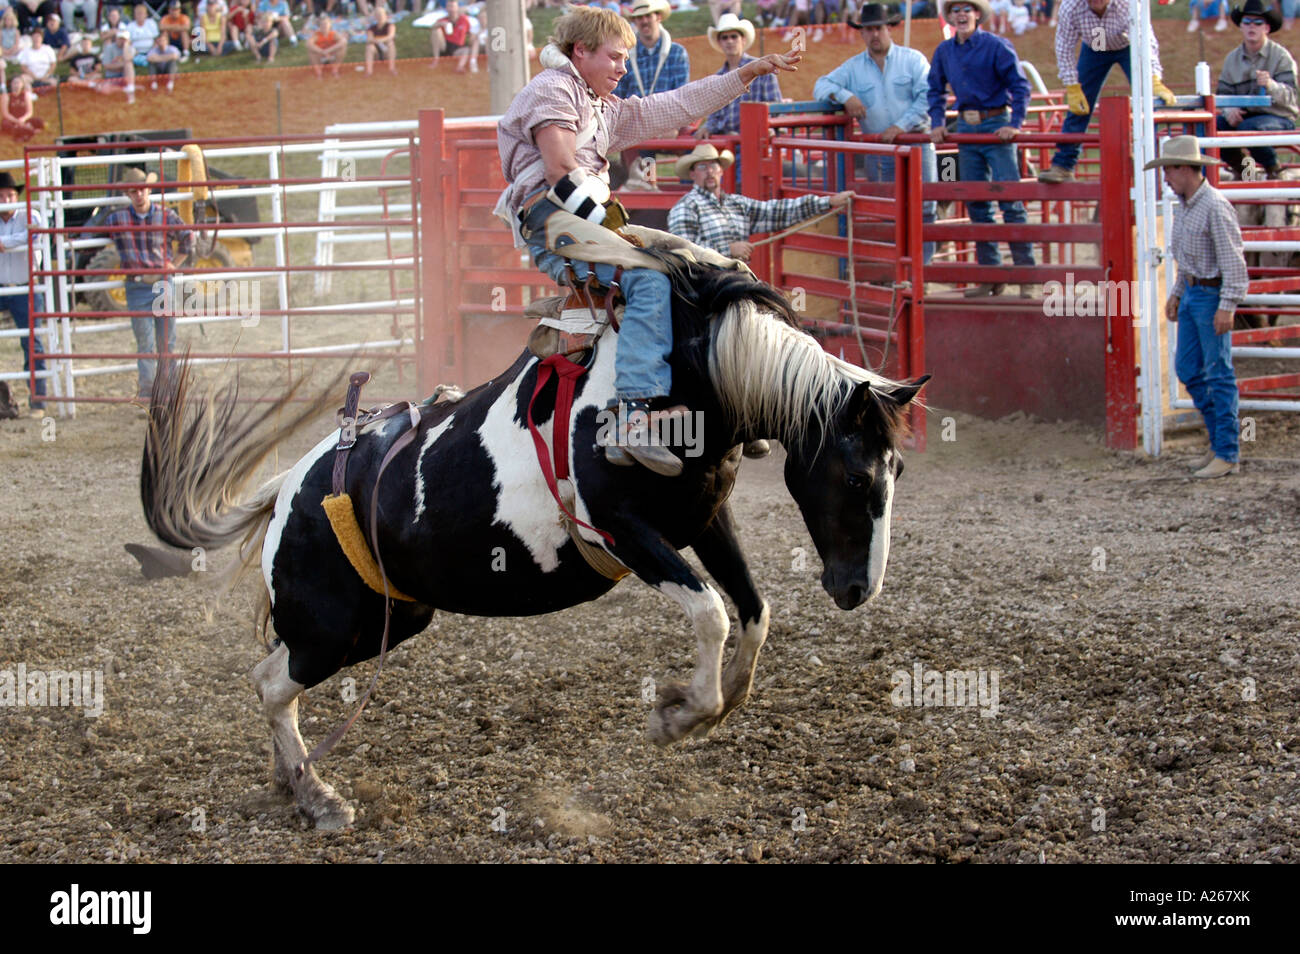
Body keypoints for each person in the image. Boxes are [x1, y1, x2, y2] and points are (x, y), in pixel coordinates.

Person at [498, 6, 800, 475]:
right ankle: (631, 416)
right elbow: (558, 172)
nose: (622, 67)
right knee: (647, 277)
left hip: (587, 221)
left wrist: (745, 74)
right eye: (615, 57)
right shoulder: (553, 90)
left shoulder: (602, 107)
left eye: (625, 59)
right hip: (553, 221)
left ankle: (740, 401)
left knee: (721, 269)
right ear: (580, 52)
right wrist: (612, 226)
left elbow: (677, 104)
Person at [1147, 136, 1248, 478]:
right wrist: (1177, 292)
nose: (1166, 177)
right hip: (1194, 292)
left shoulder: (1214, 206)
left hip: (1210, 295)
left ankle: (1226, 450)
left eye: (1170, 169)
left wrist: (1227, 304)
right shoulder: (1189, 204)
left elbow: (1233, 263)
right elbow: (1186, 257)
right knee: (1190, 369)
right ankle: (1221, 444)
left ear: (1187, 169)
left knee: (1217, 372)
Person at [928, 0, 1034, 297]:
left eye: (966, 9)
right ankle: (991, 275)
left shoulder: (997, 46)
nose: (961, 15)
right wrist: (938, 122)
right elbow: (934, 89)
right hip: (966, 130)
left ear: (977, 14)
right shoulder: (944, 51)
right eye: (955, 10)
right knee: (976, 203)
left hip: (995, 124)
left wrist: (1015, 123)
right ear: (949, 17)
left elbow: (1020, 86)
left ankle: (1028, 278)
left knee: (1010, 201)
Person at [815, 2, 936, 263]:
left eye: (878, 28)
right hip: (879, 148)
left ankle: (922, 267)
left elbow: (929, 96)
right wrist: (846, 96)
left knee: (925, 205)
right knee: (886, 209)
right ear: (862, 33)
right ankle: (893, 267)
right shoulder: (853, 67)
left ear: (889, 28)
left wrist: (900, 126)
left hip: (915, 141)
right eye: (868, 30)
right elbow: (821, 85)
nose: (875, 34)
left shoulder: (912, 60)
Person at [1037, 0, 1177, 184]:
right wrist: (1072, 85)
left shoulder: (1128, 4)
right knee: (1081, 101)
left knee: (1148, 97)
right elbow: (1064, 46)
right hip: (1098, 39)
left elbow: (1145, 40)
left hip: (1128, 43)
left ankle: (1156, 156)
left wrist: (1152, 77)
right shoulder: (1071, 6)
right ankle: (1063, 165)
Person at [668, 142, 853, 260]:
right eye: (702, 166)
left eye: (713, 165)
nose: (709, 171)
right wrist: (727, 250)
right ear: (692, 174)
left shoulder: (736, 204)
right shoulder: (685, 207)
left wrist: (828, 201)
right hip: (702, 283)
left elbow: (778, 211)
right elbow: (682, 250)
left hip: (736, 279)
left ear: (721, 170)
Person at [105, 167, 193, 402]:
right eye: (133, 191)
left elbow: (188, 236)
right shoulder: (117, 219)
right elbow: (90, 236)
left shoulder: (165, 215)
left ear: (148, 189)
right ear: (129, 194)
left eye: (142, 189)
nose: (139, 195)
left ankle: (170, 391)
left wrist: (174, 264)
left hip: (162, 282)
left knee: (166, 341)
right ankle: (148, 392)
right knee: (145, 342)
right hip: (137, 285)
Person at [1215, 0, 1298, 179]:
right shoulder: (1232, 59)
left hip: (1279, 117)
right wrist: (1229, 110)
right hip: (1247, 117)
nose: (1252, 26)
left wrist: (1270, 85)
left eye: (1258, 23)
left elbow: (1292, 97)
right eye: (1247, 22)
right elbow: (1222, 95)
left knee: (1249, 128)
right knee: (1213, 125)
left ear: (1267, 28)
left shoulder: (1281, 56)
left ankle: (1272, 168)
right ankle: (1244, 171)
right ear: (1241, 27)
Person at [0, 170, 47, 415]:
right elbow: (27, 235)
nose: (6, 200)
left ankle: (38, 400)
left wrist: (4, 243)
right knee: (31, 341)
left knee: (32, 342)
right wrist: (14, 242)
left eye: (10, 195)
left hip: (24, 287)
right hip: (3, 287)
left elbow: (35, 230)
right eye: (1, 196)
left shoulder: (30, 214)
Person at [696, 13, 782, 138]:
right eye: (724, 38)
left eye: (733, 36)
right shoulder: (718, 77)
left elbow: (775, 108)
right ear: (720, 42)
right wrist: (708, 127)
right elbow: (714, 114)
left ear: (743, 39)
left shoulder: (763, 70)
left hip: (756, 137)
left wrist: (762, 127)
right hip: (725, 139)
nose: (729, 41)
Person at [613, 0, 689, 99]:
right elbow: (618, 98)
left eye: (648, 15)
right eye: (640, 17)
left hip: (668, 113)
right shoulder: (625, 57)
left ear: (658, 17)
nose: (644, 21)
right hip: (634, 114)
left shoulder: (677, 53)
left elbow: (682, 96)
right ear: (634, 21)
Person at [430, 0, 478, 72]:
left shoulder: (464, 20)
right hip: (445, 45)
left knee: (467, 49)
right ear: (446, 8)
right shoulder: (443, 20)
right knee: (436, 30)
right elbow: (432, 27)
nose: (451, 9)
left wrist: (473, 39)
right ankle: (436, 59)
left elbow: (470, 33)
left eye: (453, 7)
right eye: (449, 6)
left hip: (458, 47)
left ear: (457, 8)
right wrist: (441, 24)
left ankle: (460, 66)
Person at [99, 21, 137, 103]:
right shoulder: (109, 48)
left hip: (125, 76)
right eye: (120, 38)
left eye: (124, 39)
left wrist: (126, 46)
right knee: (104, 90)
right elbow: (106, 66)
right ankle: (125, 90)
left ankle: (130, 90)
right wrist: (122, 65)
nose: (121, 41)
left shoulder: (130, 48)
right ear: (116, 38)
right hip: (112, 77)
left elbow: (128, 59)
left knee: (128, 64)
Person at [1, 74, 45, 140]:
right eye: (14, 83)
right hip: (12, 121)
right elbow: (5, 114)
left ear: (22, 84)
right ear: (11, 84)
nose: (16, 85)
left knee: (38, 121)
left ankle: (24, 129)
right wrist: (16, 121)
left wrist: (23, 119)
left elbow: (30, 112)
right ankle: (27, 130)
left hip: (24, 119)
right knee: (5, 124)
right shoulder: (6, 96)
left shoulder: (26, 95)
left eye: (18, 83)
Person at [307, 12, 346, 77]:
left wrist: (329, 50)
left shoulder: (333, 34)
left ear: (330, 25)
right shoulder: (317, 35)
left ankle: (335, 70)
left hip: (331, 54)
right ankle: (318, 72)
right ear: (319, 26)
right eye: (322, 25)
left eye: (326, 24)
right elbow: (308, 43)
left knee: (342, 48)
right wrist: (322, 52)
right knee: (311, 51)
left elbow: (343, 41)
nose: (324, 26)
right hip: (320, 55)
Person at [125, 3, 160, 69]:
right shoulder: (130, 26)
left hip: (151, 50)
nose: (140, 15)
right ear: (135, 15)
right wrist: (135, 51)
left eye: (142, 13)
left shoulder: (151, 23)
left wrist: (152, 50)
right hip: (136, 52)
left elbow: (156, 39)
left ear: (146, 14)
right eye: (138, 13)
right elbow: (128, 41)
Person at [364, 4, 395, 75]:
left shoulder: (390, 26)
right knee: (369, 47)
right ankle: (369, 71)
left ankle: (391, 68)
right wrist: (378, 40)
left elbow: (391, 36)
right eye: (378, 15)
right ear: (375, 17)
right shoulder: (372, 28)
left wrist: (379, 40)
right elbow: (369, 39)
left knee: (391, 44)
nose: (380, 17)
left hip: (386, 51)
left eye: (381, 14)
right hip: (376, 52)